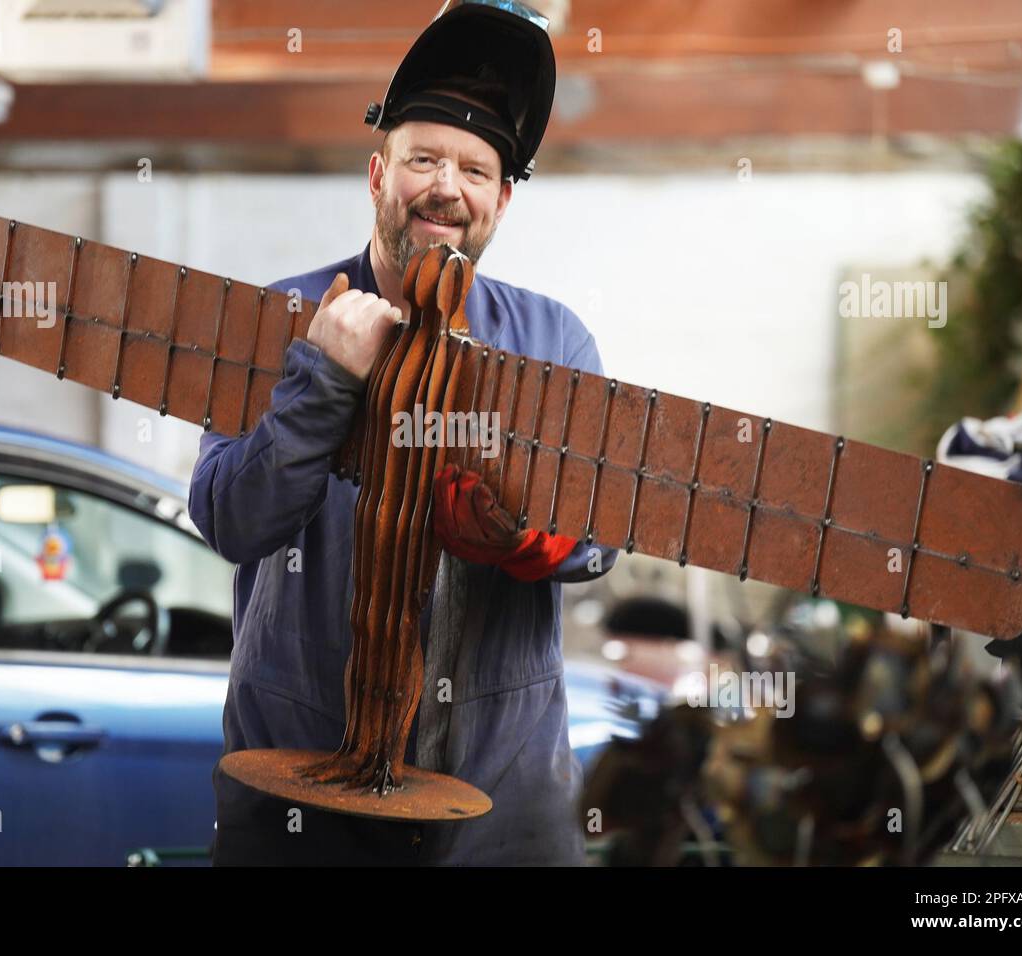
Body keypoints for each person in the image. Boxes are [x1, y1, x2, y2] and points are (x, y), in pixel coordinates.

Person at [189, 0, 617, 865]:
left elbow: (603, 536)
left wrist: (529, 532)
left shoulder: (554, 342)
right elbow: (230, 518)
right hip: (297, 790)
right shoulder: (280, 318)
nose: (445, 188)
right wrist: (323, 381)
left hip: (503, 810)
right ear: (377, 174)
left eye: (474, 169)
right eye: (423, 158)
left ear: (501, 199)